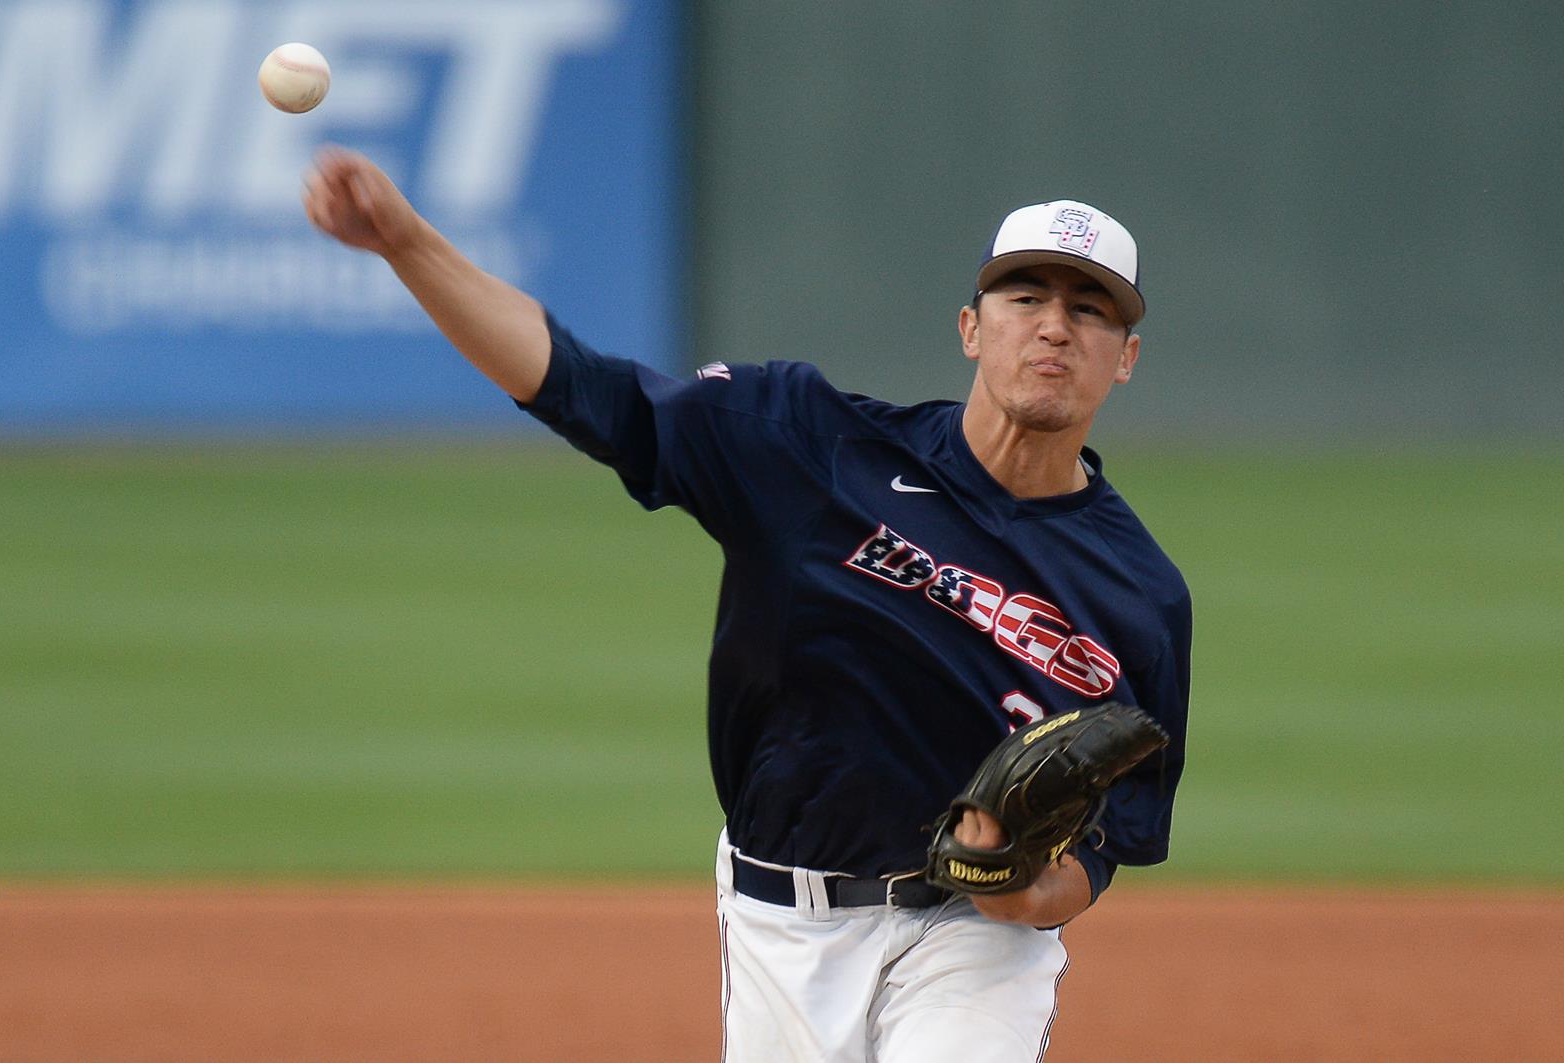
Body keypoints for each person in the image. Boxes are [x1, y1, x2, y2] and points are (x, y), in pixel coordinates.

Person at [303, 148, 1190, 1062]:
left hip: (973, 939)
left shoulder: (1140, 595)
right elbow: (583, 388)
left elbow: (1113, 836)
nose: (1054, 329)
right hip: (783, 920)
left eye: (1089, 311)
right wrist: (406, 244)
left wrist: (1021, 896)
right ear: (972, 326)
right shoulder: (807, 444)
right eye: (1026, 300)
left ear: (1124, 358)